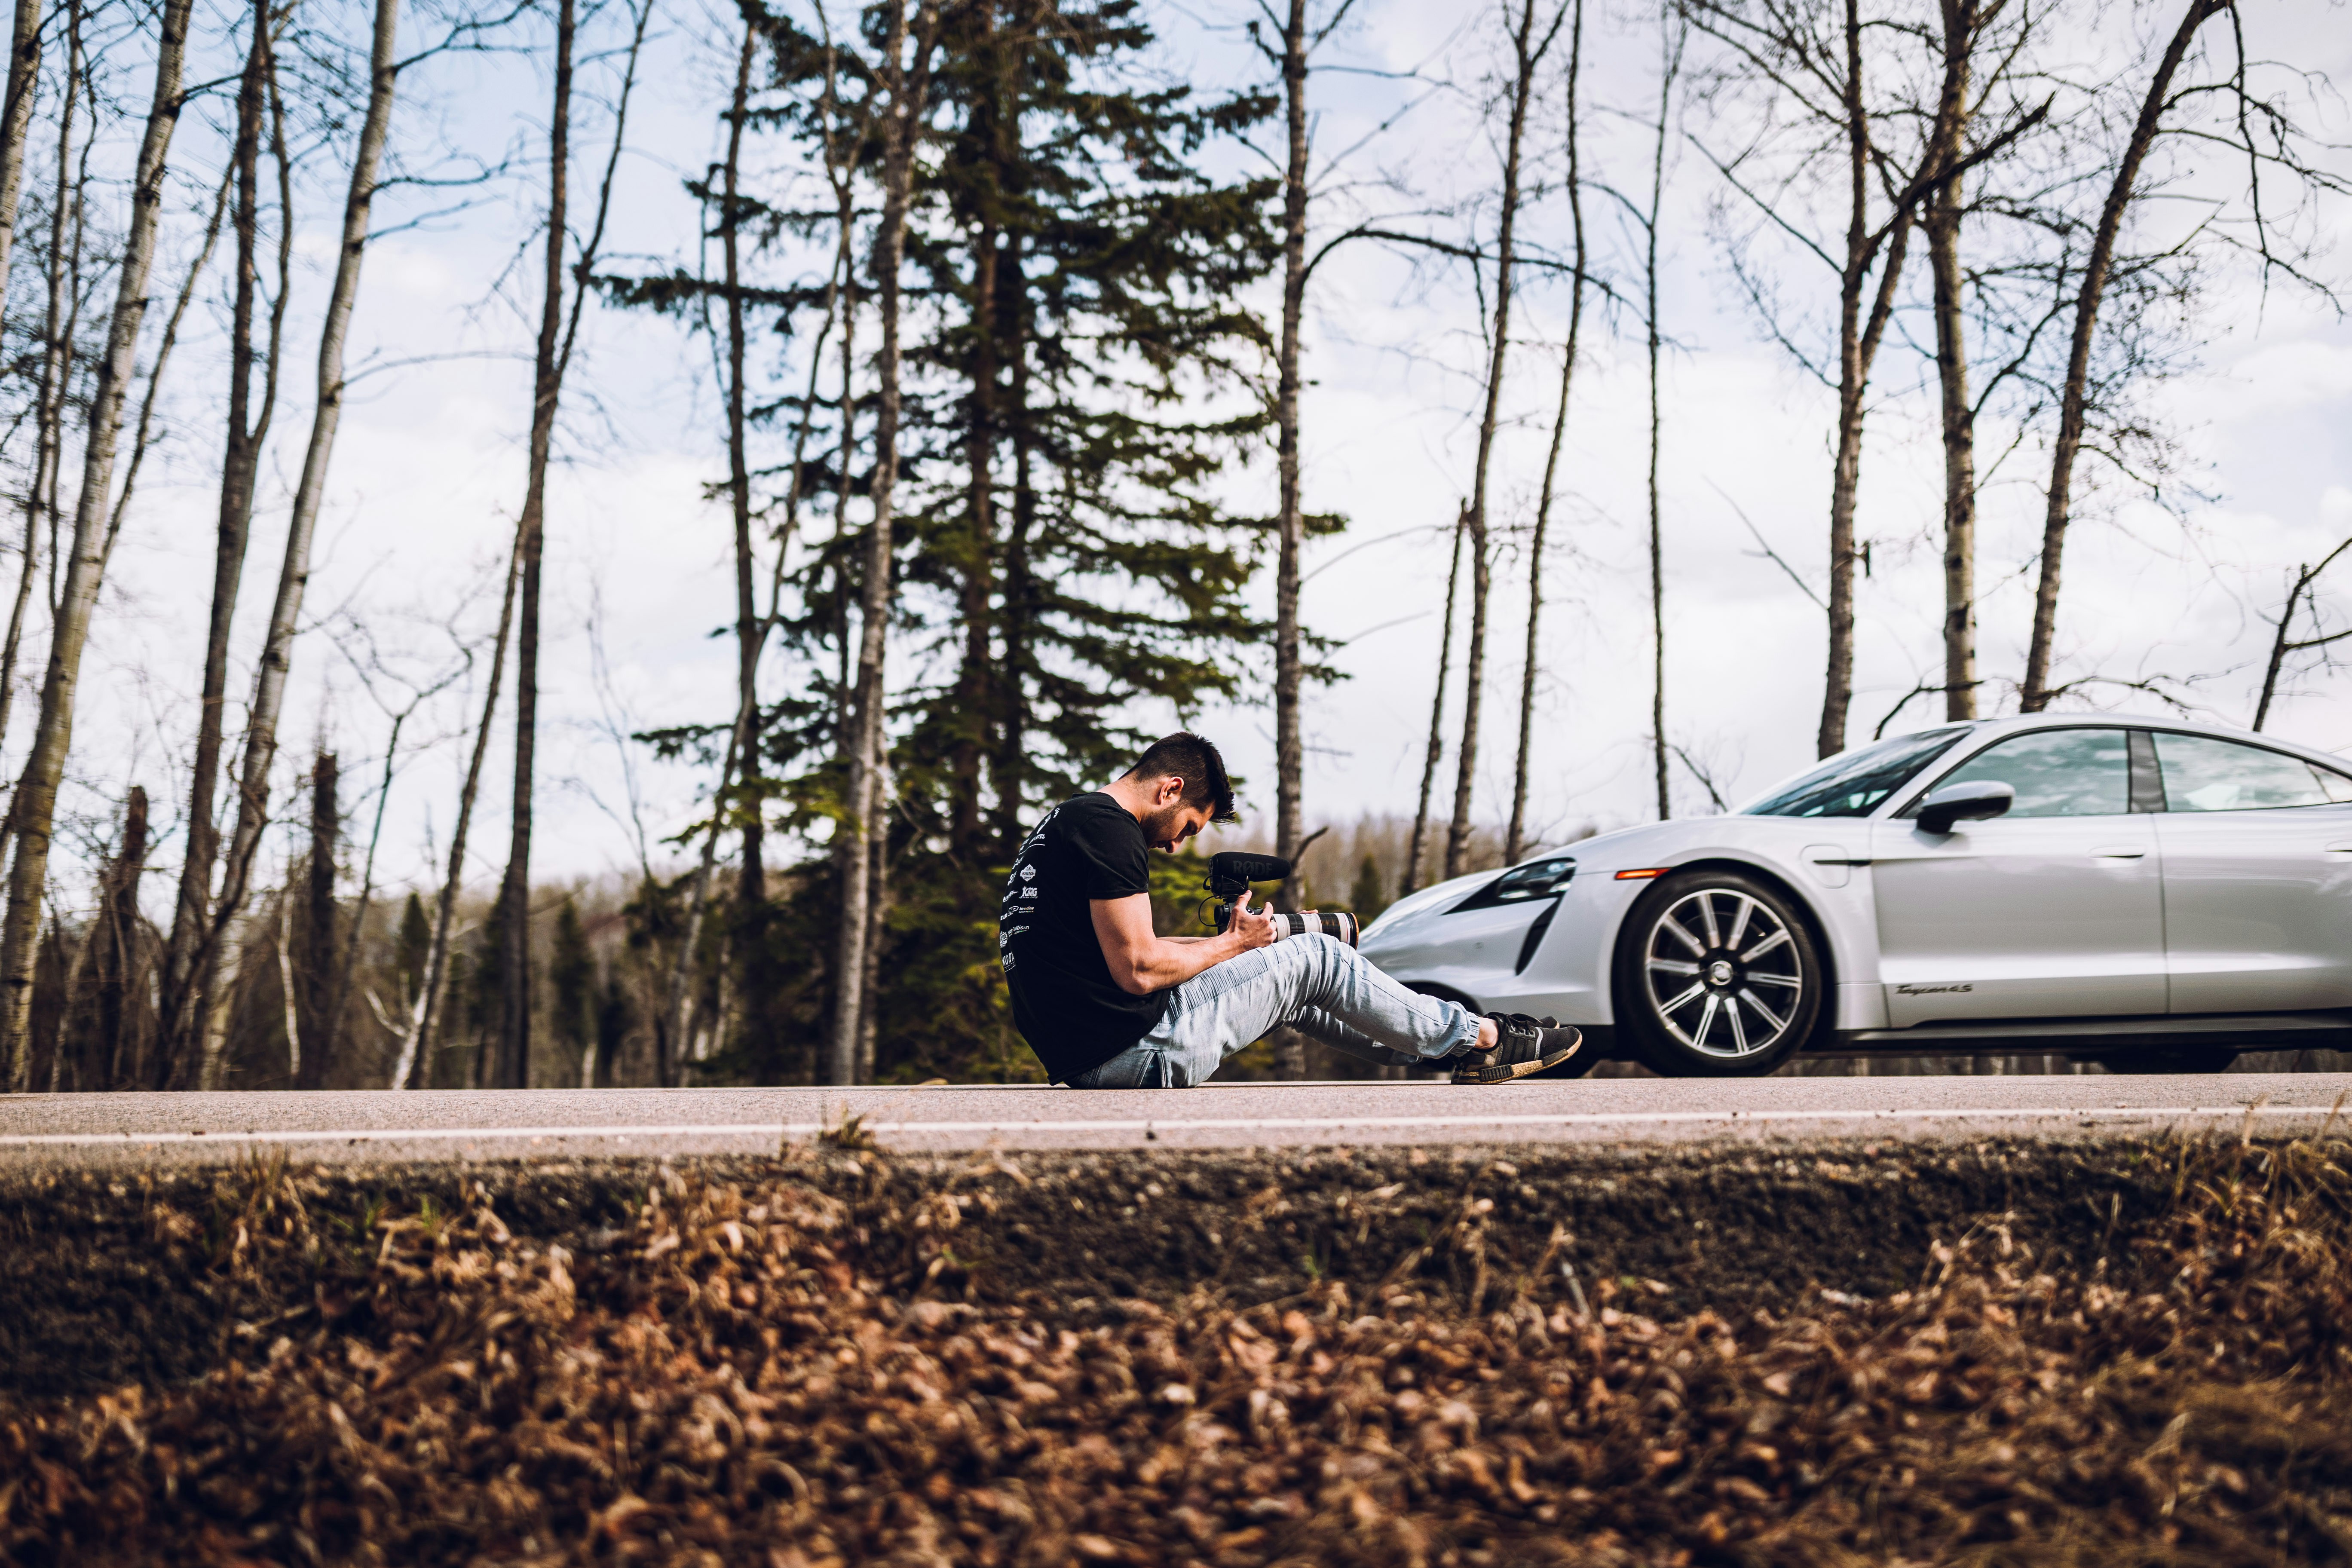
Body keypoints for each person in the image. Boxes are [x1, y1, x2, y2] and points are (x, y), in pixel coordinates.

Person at [1000, 731, 1581, 1087]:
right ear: (1170, 790)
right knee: (1320, 959)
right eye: (1188, 827)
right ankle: (1483, 1039)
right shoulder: (1111, 831)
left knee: (1294, 983)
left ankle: (1440, 1046)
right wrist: (1239, 944)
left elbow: (1121, 956)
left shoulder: (1067, 822)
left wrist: (1235, 941)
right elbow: (1139, 970)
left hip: (1094, 1050)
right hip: (1132, 1054)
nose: (1176, 844)